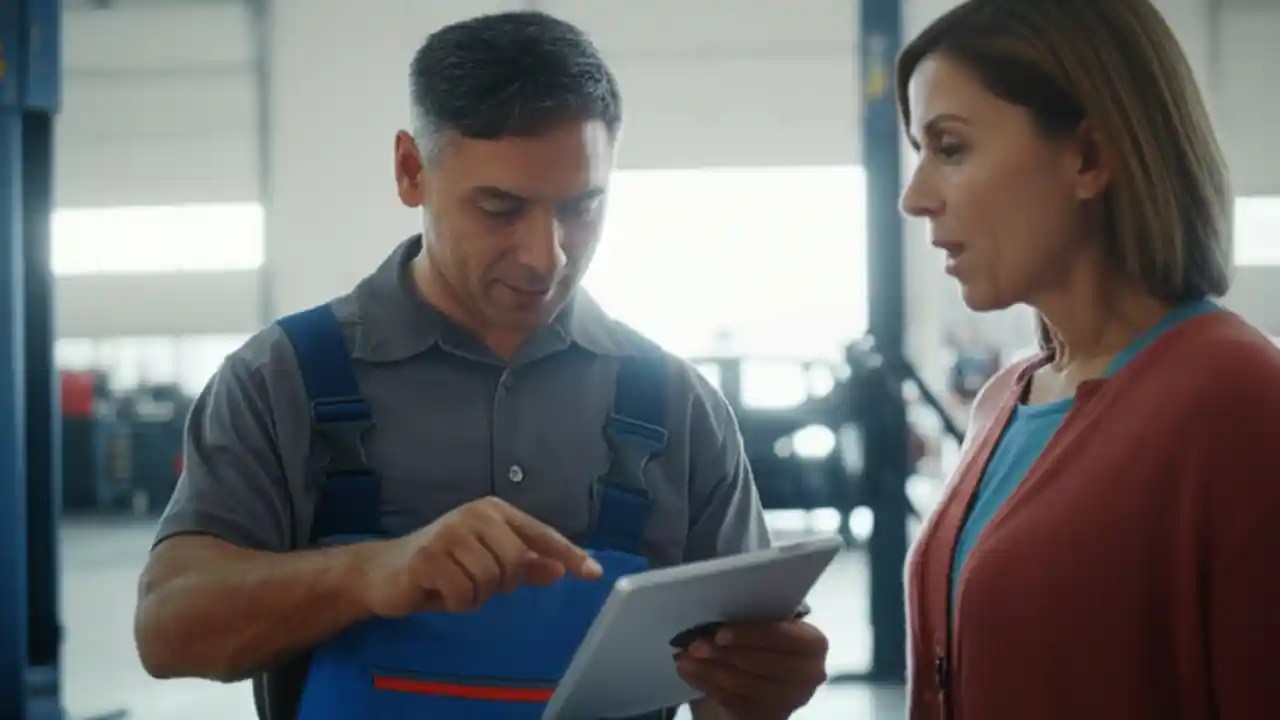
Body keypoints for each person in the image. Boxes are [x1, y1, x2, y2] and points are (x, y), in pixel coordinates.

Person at [132, 11, 829, 720]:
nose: (545, 256)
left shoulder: (676, 405)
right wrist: (371, 572)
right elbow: (168, 631)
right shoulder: (281, 380)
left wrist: (762, 688)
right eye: (500, 208)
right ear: (411, 171)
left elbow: (727, 692)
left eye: (582, 207)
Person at [896, 0, 1280, 718]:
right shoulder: (1007, 396)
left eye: (950, 149)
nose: (915, 197)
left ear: (1090, 157)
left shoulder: (1240, 401)